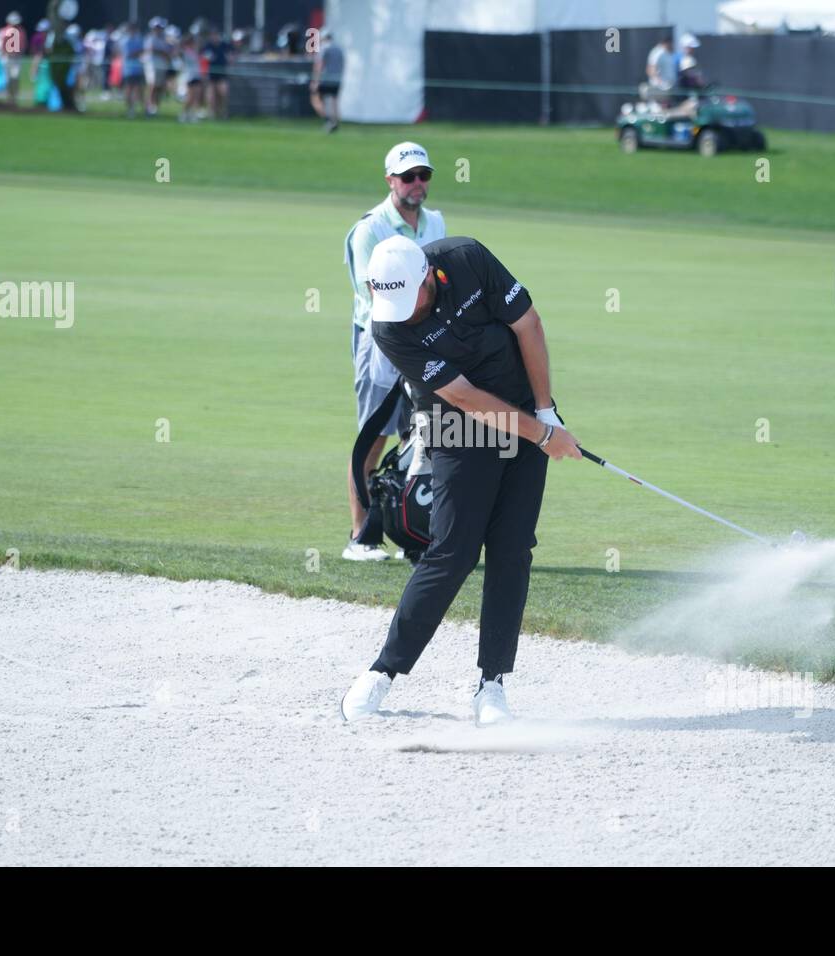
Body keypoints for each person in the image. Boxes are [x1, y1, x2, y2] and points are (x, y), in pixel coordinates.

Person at [340, 235, 581, 725]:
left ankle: (491, 686)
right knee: (452, 551)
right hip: (458, 425)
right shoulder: (388, 325)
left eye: (412, 301)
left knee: (512, 550)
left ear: (429, 275)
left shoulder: (467, 259)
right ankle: (382, 672)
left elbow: (528, 324)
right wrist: (542, 435)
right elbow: (466, 397)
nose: (405, 313)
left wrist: (544, 411)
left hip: (523, 411)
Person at [341, 142, 447, 561]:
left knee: (416, 438)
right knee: (373, 437)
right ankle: (360, 537)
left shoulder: (435, 222)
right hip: (380, 342)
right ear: (390, 180)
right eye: (408, 177)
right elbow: (371, 297)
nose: (417, 184)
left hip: (423, 341)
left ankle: (410, 533)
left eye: (424, 176)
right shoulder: (369, 229)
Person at [309, 28, 343, 133]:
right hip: (337, 78)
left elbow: (319, 64)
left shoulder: (324, 48)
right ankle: (335, 122)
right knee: (334, 101)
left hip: (325, 78)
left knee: (316, 99)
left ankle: (328, 120)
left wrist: (315, 80)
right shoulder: (339, 49)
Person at [142, 17, 171, 116]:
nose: (158, 29)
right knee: (152, 86)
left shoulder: (164, 39)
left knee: (159, 87)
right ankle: (149, 107)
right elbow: (152, 50)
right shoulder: (150, 38)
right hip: (152, 65)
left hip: (162, 65)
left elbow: (168, 52)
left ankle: (156, 107)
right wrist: (163, 53)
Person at [202, 25, 232, 120]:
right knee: (211, 95)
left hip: (222, 74)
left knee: (223, 93)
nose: (215, 37)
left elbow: (232, 55)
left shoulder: (224, 45)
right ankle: (212, 113)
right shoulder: (207, 46)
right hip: (211, 74)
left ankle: (222, 112)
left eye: (216, 35)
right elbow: (204, 60)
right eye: (213, 35)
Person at [0, 12, 26, 106]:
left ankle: (14, 98)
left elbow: (23, 45)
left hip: (17, 59)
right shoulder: (4, 31)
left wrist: (18, 53)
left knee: (15, 77)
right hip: (7, 58)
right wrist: (7, 53)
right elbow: (2, 45)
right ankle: (9, 98)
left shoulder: (21, 31)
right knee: (8, 79)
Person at [119, 21, 144, 118]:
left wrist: (139, 52)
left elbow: (142, 52)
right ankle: (130, 109)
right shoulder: (125, 41)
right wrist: (139, 52)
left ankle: (136, 108)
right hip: (128, 69)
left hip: (137, 69)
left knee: (138, 89)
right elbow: (129, 54)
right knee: (129, 89)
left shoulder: (138, 40)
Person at [644, 33, 676, 106]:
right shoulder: (658, 52)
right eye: (671, 43)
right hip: (659, 91)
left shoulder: (666, 52)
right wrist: (660, 83)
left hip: (666, 90)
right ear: (667, 42)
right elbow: (650, 69)